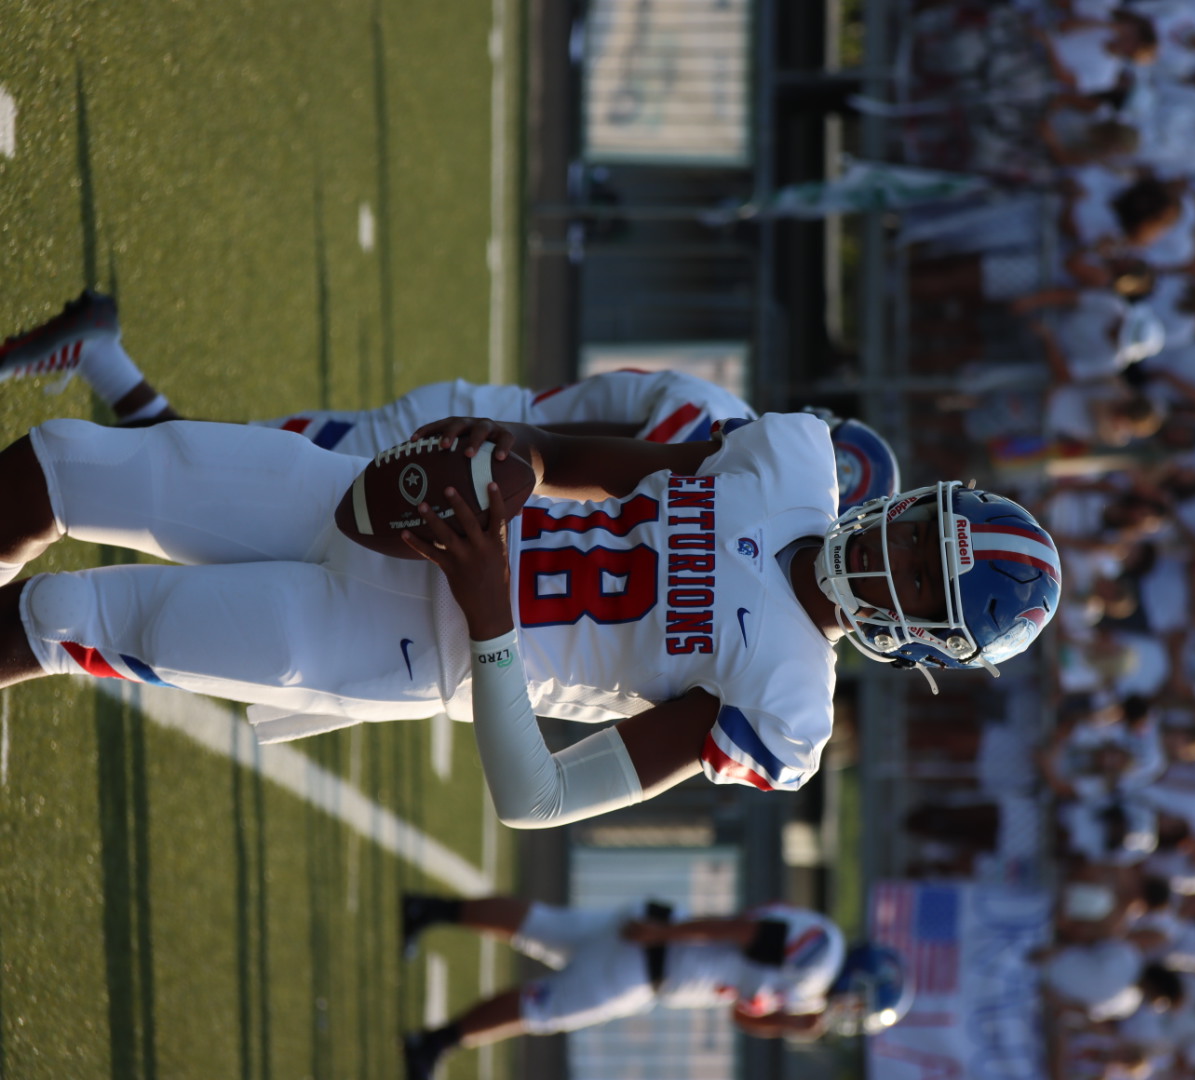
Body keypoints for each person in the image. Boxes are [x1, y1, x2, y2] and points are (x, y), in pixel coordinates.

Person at [0, 388, 1059, 829]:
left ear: (925, 638)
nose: (896, 554)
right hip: (394, 508)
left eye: (925, 580)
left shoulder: (787, 702)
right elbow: (585, 462)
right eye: (920, 534)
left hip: (401, 639)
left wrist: (489, 612)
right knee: (64, 461)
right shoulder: (791, 465)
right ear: (916, 501)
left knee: (64, 615)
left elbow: (538, 798)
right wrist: (507, 459)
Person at [0, 291, 901, 514]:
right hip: (465, 440)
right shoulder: (704, 429)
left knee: (219, 470)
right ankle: (93, 356)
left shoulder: (721, 416)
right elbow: (604, 477)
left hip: (474, 435)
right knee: (219, 480)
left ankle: (101, 351)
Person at [397, 892, 910, 1079]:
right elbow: (741, 930)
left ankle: (427, 910)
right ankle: (432, 1044)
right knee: (545, 1009)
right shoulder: (823, 952)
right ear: (861, 973)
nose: (847, 1010)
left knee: (543, 927)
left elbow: (738, 1015)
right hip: (652, 958)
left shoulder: (812, 988)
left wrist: (786, 1025)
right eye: (858, 1000)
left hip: (656, 952)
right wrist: (664, 933)